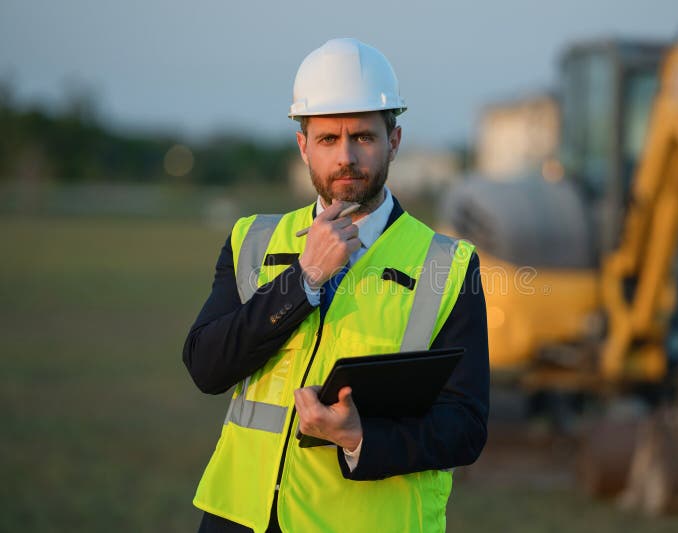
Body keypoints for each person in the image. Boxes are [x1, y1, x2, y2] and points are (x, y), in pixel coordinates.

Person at [183, 38, 489, 533]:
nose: (346, 157)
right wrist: (303, 280)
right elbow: (206, 367)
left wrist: (360, 438)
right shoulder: (252, 240)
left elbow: (466, 428)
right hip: (238, 519)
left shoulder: (448, 265)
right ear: (303, 144)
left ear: (394, 140)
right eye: (327, 139)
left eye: (363, 138)